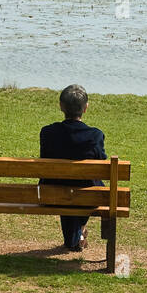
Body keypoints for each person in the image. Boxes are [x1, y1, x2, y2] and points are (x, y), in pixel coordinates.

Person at [39, 84, 105, 252]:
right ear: (85, 108)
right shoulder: (95, 135)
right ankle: (78, 234)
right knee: (87, 186)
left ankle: (75, 237)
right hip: (86, 195)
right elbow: (101, 163)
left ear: (61, 106)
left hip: (51, 193)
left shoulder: (47, 132)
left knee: (65, 186)